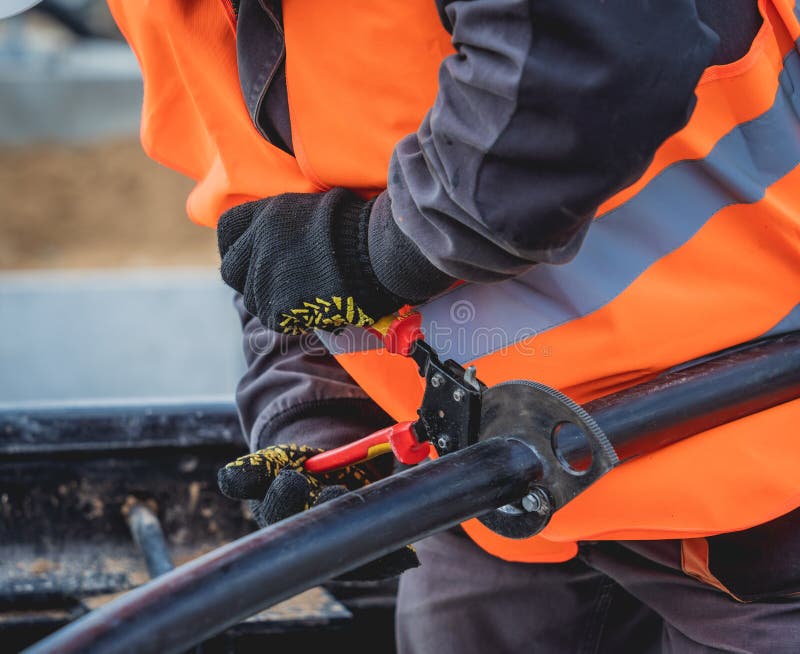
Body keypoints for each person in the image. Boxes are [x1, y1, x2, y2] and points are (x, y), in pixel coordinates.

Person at [108, 1, 800, 651]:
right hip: (493, 483)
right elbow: (271, 227)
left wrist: (377, 251)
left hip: (755, 458)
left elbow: (596, 63)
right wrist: (321, 416)